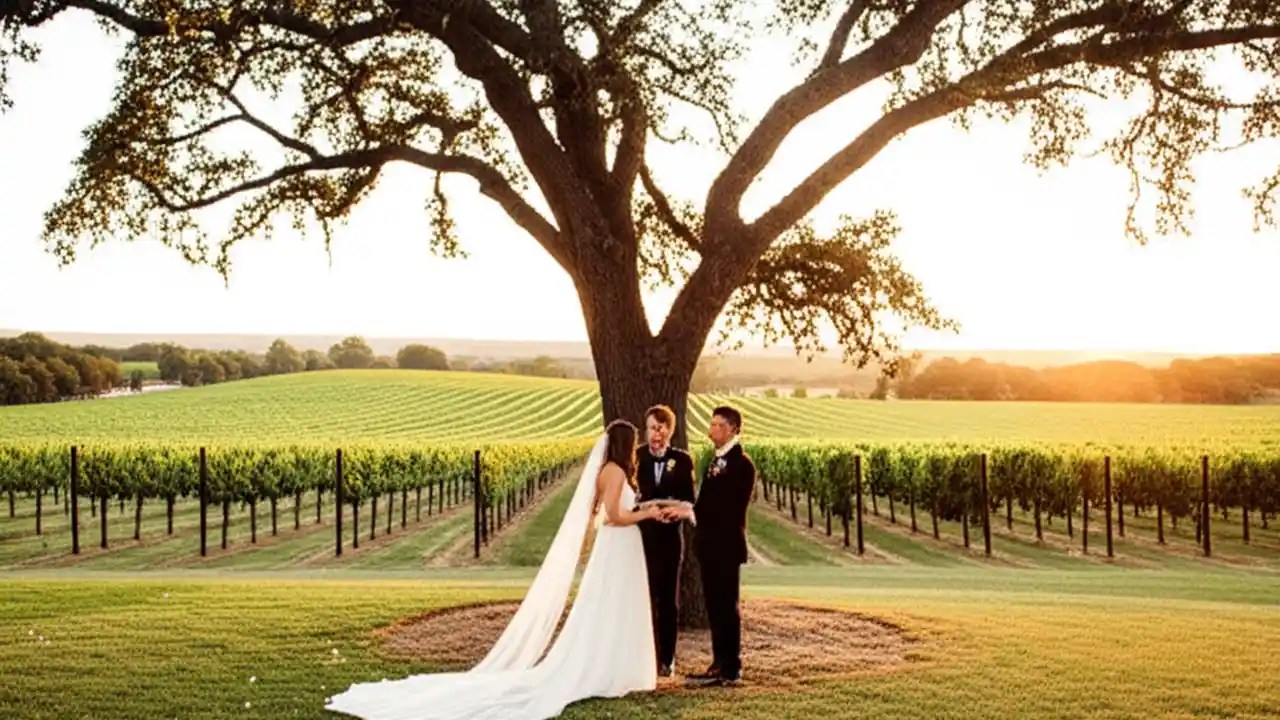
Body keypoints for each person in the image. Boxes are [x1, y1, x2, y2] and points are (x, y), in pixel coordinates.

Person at [325, 419, 665, 720]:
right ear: (624, 444)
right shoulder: (616, 472)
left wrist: (648, 507)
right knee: (616, 605)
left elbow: (619, 510)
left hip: (619, 549)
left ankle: (613, 666)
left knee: (613, 607)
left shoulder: (610, 471)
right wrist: (647, 514)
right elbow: (616, 517)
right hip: (619, 546)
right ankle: (614, 669)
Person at [669, 405, 755, 687]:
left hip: (726, 547)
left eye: (719, 425)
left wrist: (690, 513)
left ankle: (731, 668)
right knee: (715, 607)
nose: (712, 429)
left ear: (733, 429)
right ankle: (719, 663)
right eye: (712, 423)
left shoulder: (741, 464)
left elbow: (729, 507)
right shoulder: (716, 460)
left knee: (726, 607)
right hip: (710, 546)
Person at [635, 404, 696, 677]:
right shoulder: (636, 457)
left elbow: (689, 501)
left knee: (667, 600)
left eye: (661, 428)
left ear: (670, 431)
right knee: (641, 597)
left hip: (671, 539)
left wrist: (673, 511)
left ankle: (667, 659)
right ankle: (642, 654)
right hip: (640, 538)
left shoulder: (682, 460)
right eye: (651, 428)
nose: (656, 434)